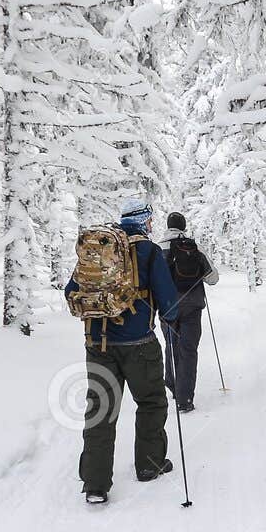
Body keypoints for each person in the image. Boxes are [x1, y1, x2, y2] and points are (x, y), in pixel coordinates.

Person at [64, 199, 179, 506]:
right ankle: (149, 465)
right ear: (144, 221)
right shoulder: (150, 251)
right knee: (152, 403)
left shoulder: (99, 247)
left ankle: (95, 484)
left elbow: (69, 291)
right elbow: (169, 302)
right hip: (140, 345)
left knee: (100, 411)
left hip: (98, 345)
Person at [160, 211, 219, 414]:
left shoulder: (159, 248)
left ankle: (173, 386)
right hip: (193, 307)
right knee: (189, 349)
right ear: (184, 227)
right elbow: (213, 279)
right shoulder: (195, 248)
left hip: (168, 308)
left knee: (171, 345)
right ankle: (185, 399)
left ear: (168, 227)